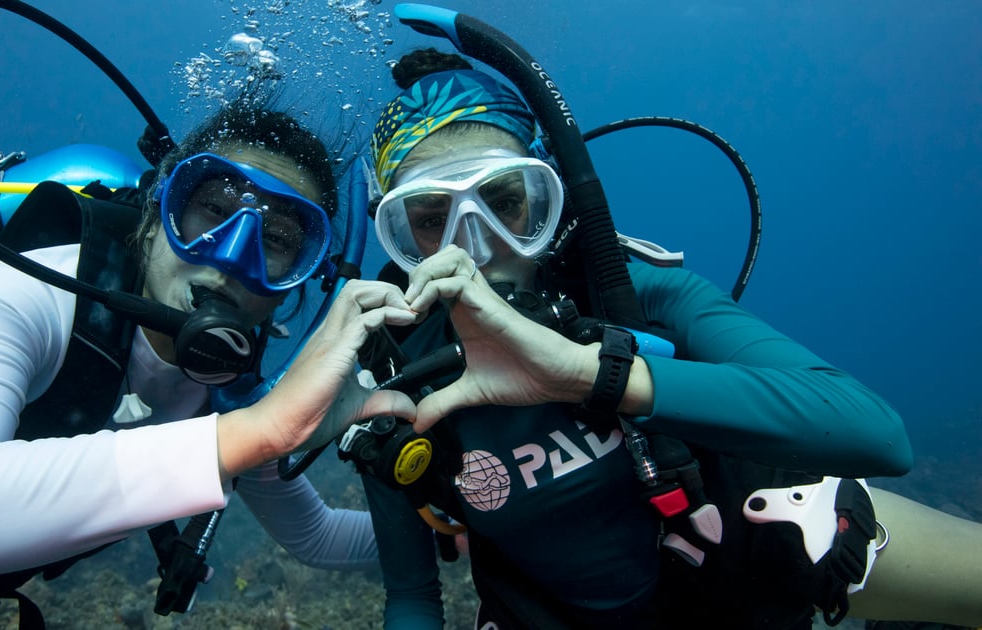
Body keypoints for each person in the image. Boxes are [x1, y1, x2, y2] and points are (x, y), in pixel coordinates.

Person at [356, 48, 982, 629]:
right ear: (398, 235)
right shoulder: (397, 370)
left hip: (744, 567)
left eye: (504, 202)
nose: (480, 248)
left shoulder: (638, 294)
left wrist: (586, 373)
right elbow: (412, 594)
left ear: (549, 196)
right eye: (433, 219)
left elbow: (877, 433)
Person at [0, 102, 418, 611]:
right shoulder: (32, 294)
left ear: (299, 280)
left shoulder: (230, 395)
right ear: (154, 220)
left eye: (275, 241)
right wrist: (259, 432)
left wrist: (463, 517)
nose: (233, 257)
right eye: (212, 211)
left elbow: (316, 536)